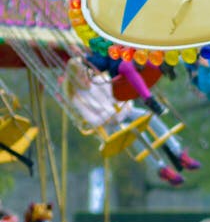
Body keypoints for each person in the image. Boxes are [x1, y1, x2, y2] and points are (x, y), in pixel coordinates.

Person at [64, 57, 200, 186]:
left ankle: (178, 151)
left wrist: (122, 105)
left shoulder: (102, 80)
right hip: (113, 124)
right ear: (74, 80)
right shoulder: (78, 99)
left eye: (86, 74)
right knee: (134, 134)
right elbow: (92, 119)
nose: (86, 79)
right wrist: (110, 114)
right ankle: (160, 167)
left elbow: (119, 95)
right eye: (81, 77)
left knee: (149, 117)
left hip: (125, 111)